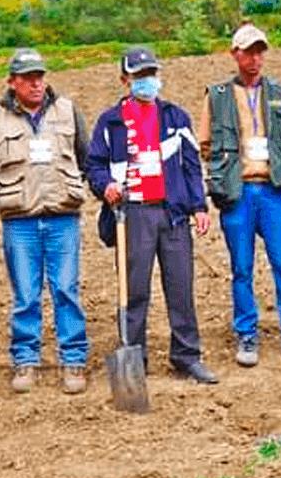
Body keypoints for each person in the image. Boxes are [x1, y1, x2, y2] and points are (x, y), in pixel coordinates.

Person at [86, 46, 219, 385]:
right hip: (132, 215)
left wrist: (199, 206)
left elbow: (191, 165)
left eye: (152, 74)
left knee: (181, 287)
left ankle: (186, 356)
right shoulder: (110, 122)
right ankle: (135, 357)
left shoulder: (176, 117)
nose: (147, 81)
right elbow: (94, 165)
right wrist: (106, 187)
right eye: (139, 76)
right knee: (134, 290)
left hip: (172, 214)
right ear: (125, 80)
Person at [197, 23, 281, 367]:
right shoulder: (218, 95)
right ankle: (247, 335)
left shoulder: (279, 92)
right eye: (248, 51)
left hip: (273, 190)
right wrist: (225, 173)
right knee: (242, 267)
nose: (255, 58)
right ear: (234, 54)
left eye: (260, 51)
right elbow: (205, 144)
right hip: (238, 192)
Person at [0, 49, 91, 394]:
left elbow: (86, 159)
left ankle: (73, 360)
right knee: (25, 294)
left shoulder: (68, 111)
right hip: (20, 221)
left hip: (63, 217)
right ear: (12, 82)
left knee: (66, 290)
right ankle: (25, 360)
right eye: (28, 78)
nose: (36, 83)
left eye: (40, 76)